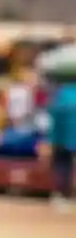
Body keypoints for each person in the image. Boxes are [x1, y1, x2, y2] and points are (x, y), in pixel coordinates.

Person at [39, 80, 76, 213]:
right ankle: (64, 194)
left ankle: (62, 194)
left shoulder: (60, 97)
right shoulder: (64, 96)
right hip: (66, 138)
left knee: (62, 166)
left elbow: (52, 121)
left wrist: (51, 140)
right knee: (64, 165)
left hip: (61, 139)